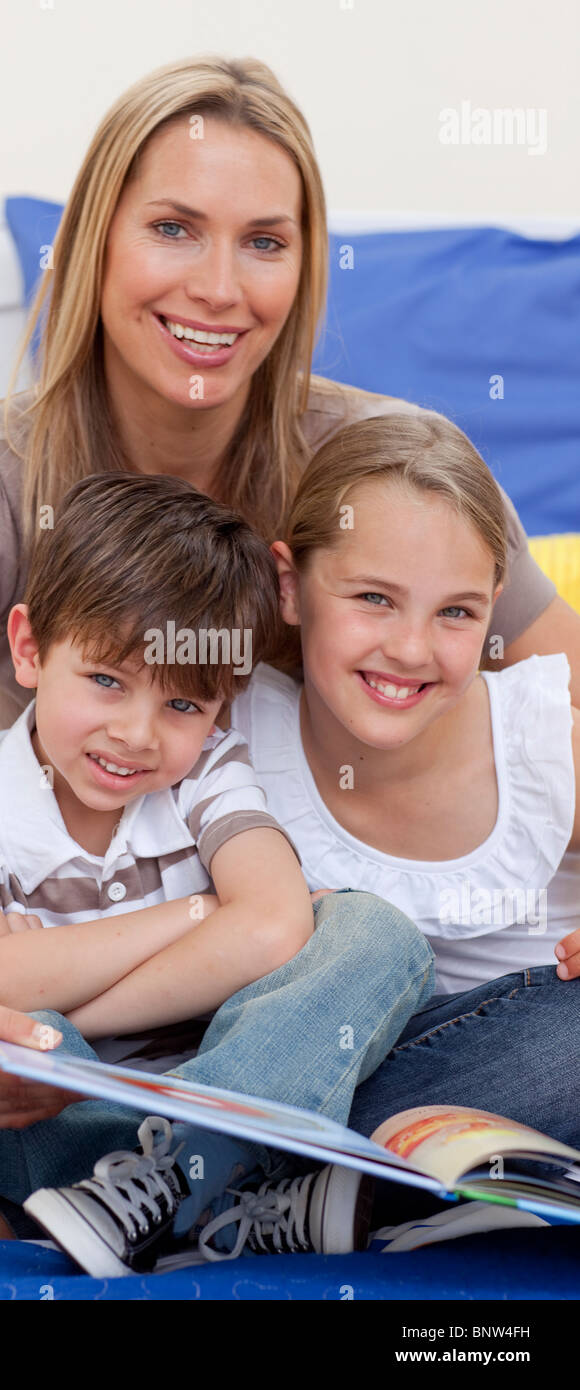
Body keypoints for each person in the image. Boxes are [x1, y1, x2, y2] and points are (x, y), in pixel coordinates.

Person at [0, 54, 578, 1296]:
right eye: (173, 228)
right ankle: (217, 1192)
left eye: (264, 242)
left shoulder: (383, 472)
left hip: (318, 1043)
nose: (218, 288)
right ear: (88, 244)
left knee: (414, 969)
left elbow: (559, 700)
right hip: (55, 1044)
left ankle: (133, 1194)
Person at [0, 470, 433, 1277]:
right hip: (62, 1100)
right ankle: (229, 1198)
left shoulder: (208, 770)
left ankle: (165, 1188)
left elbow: (277, 923)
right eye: (106, 681)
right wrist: (201, 913)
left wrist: (65, 976)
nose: (137, 734)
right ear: (30, 648)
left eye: (182, 706)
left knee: (373, 932)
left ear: (223, 706)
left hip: (223, 1081)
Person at [220, 411, 580, 1237]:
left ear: (495, 609)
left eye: (455, 613)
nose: (412, 650)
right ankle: (279, 1189)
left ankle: (287, 1194)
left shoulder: (534, 741)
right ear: (289, 586)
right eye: (374, 599)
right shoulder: (236, 741)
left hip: (516, 1078)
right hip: (316, 1084)